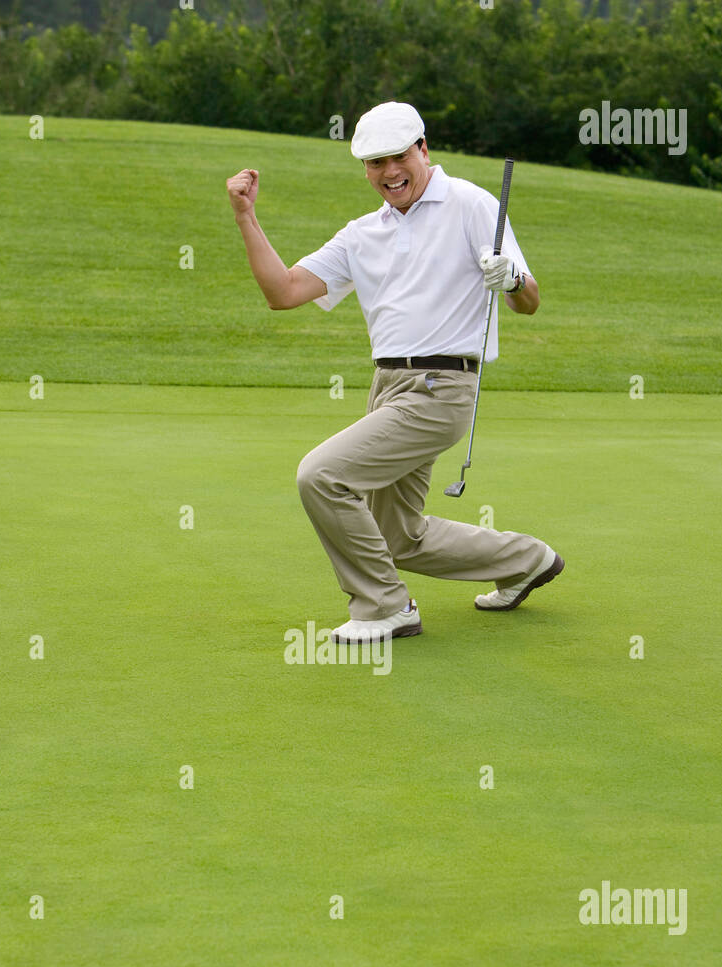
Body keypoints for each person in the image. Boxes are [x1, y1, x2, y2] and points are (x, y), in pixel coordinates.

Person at [226, 101, 563, 644]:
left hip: (442, 388)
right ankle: (527, 559)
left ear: (423, 150)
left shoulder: (470, 204)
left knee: (321, 475)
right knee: (396, 536)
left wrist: (514, 279)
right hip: (387, 388)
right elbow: (282, 292)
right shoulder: (362, 233)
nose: (388, 172)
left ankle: (386, 606)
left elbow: (529, 302)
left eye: (398, 157)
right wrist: (246, 216)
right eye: (375, 162)